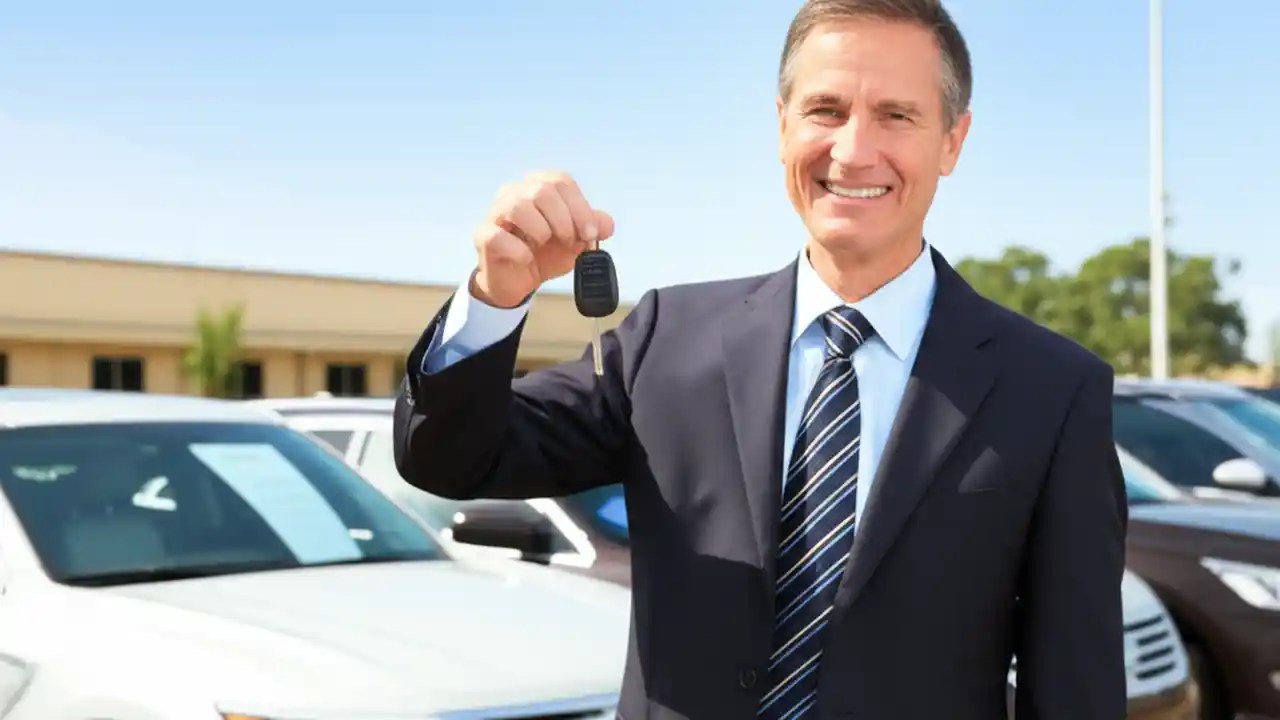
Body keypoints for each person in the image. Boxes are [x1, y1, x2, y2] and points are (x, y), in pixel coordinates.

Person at [393, 0, 1128, 717]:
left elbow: (1075, 686)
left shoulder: (1053, 390)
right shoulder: (665, 339)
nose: (852, 150)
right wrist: (497, 296)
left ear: (952, 142)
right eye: (826, 110)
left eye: (896, 115)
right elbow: (452, 460)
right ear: (782, 125)